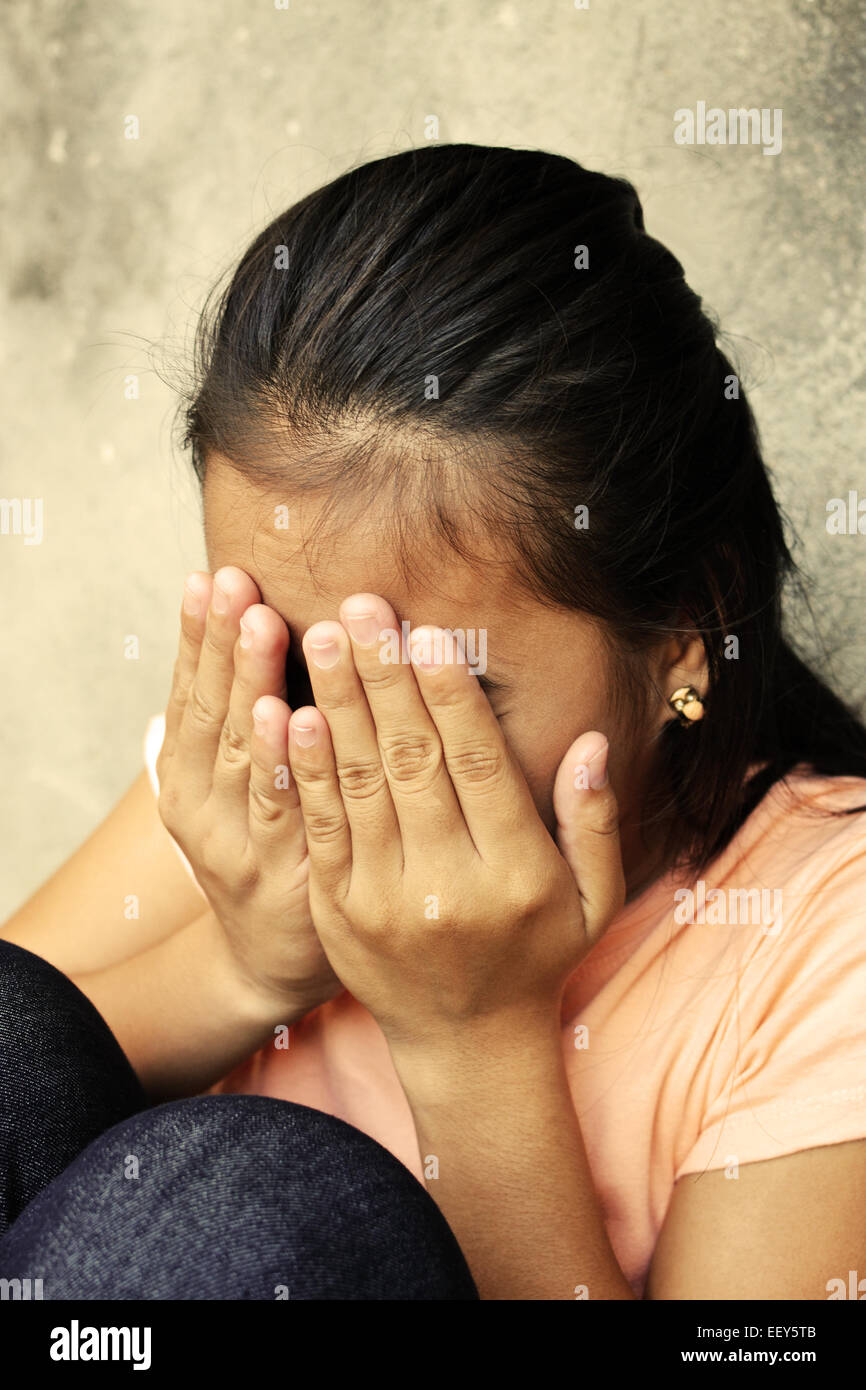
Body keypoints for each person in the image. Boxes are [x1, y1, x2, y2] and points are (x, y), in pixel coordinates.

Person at [3, 143, 866, 1301]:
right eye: (304, 675)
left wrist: (472, 1042)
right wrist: (240, 967)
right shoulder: (264, 778)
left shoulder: (823, 936)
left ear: (679, 636)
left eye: (434, 693)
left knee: (243, 1202)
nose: (351, 758)